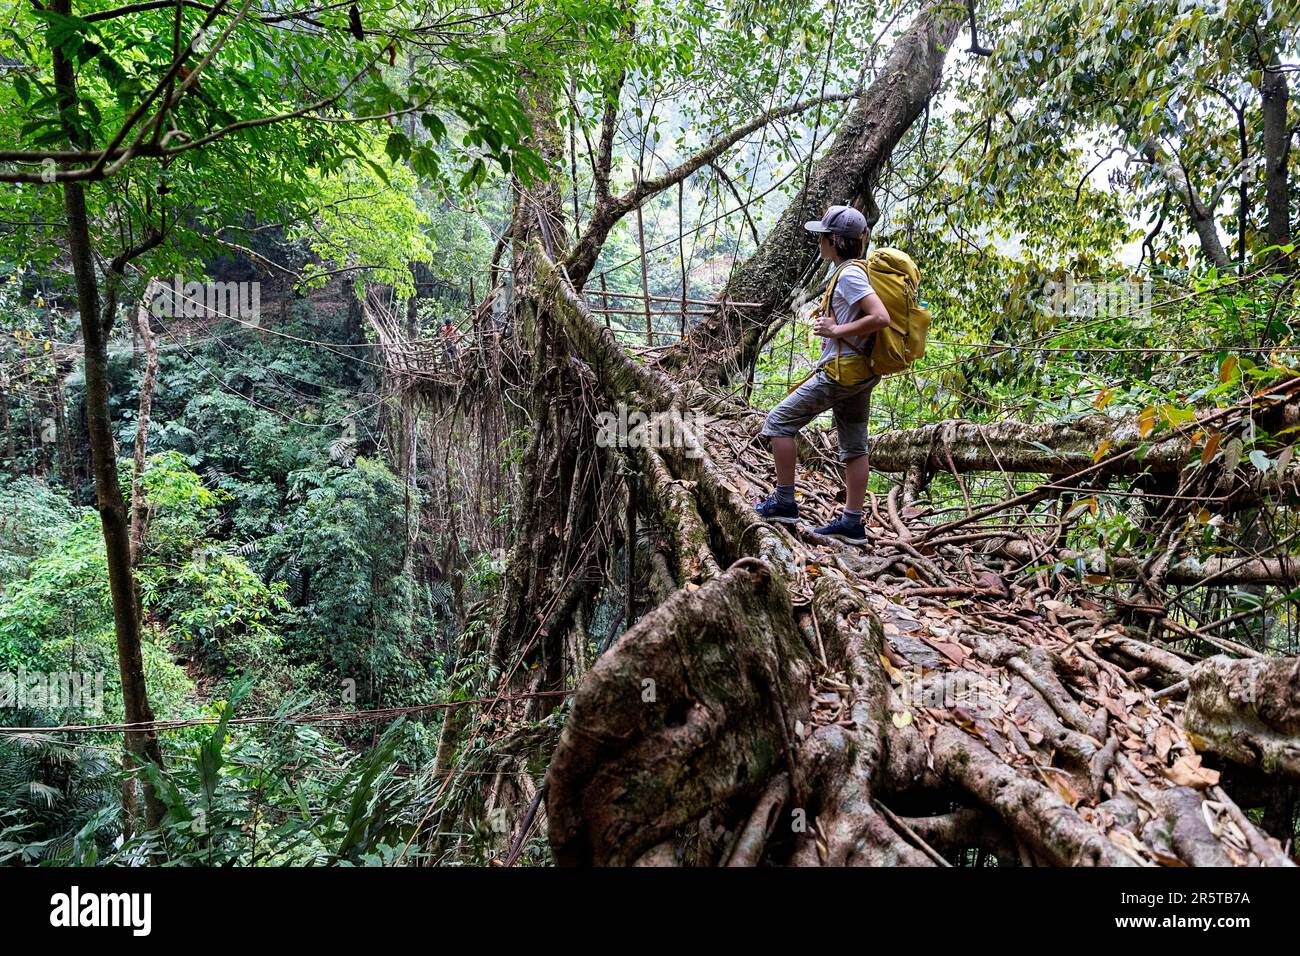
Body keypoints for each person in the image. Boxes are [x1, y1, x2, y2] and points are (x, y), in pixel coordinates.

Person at [754, 204, 892, 544]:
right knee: (855, 445)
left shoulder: (849, 274)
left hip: (840, 373)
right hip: (860, 372)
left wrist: (836, 330)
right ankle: (852, 523)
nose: (818, 244)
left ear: (835, 241)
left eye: (822, 238)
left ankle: (784, 502)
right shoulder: (858, 269)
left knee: (778, 423)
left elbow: (881, 317)